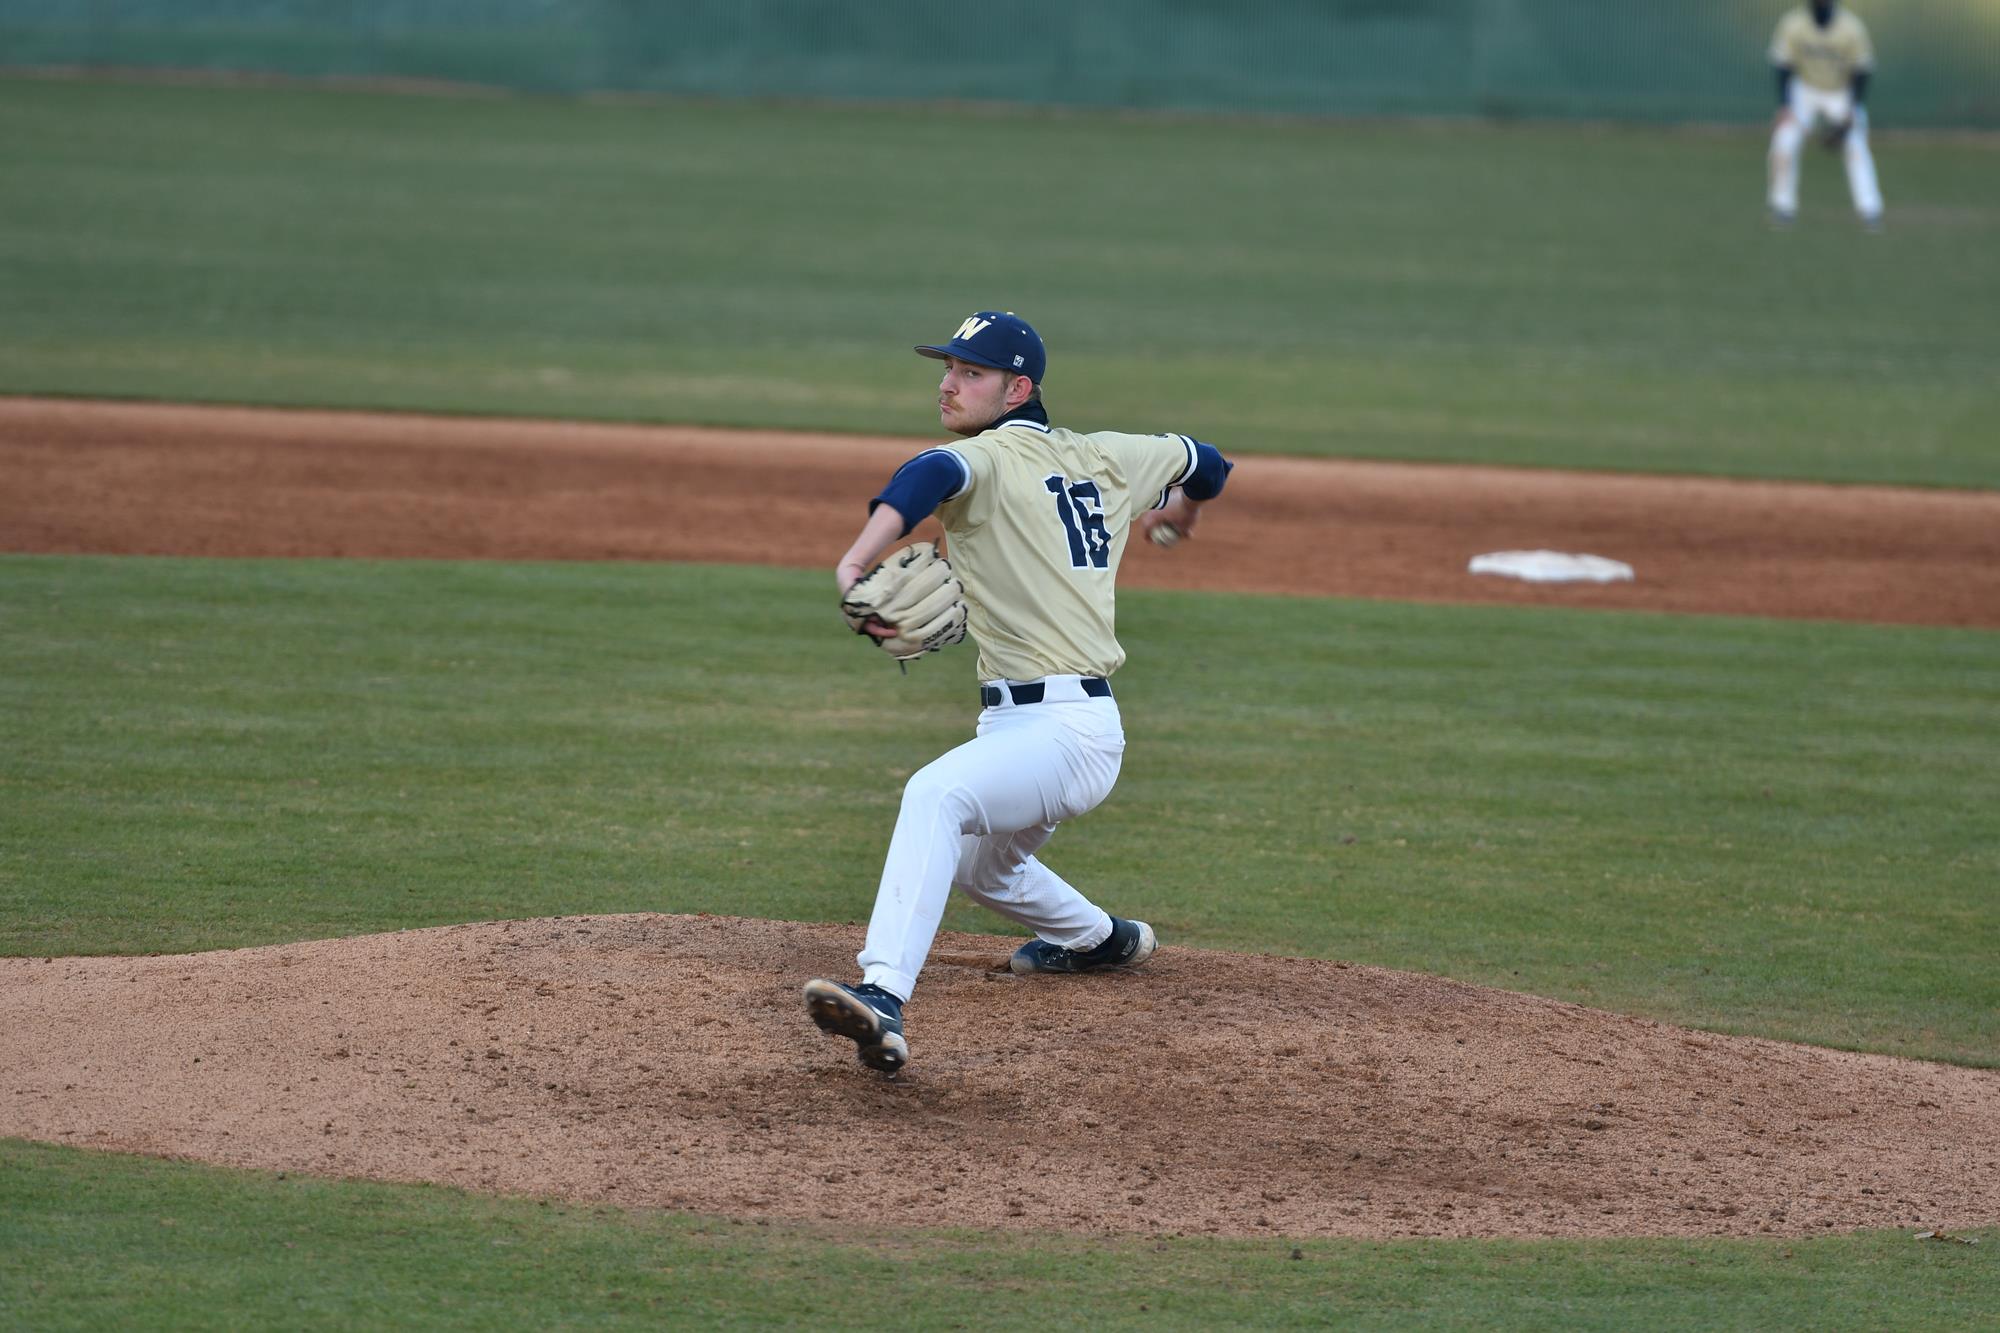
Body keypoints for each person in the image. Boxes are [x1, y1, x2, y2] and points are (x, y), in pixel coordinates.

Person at [802, 311, 1234, 1074]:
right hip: (1044, 733)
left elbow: (930, 475)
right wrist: (1181, 513)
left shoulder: (989, 459)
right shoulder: (1109, 456)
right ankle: (1103, 939)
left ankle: (884, 995)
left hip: (1065, 735)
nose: (948, 382)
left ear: (1017, 388)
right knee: (978, 865)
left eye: (970, 372)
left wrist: (855, 562)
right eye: (949, 367)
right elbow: (1209, 462)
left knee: (935, 795)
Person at [1767, 0, 1884, 230]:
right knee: (1784, 141)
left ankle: (1870, 209)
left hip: (1841, 93)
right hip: (1805, 90)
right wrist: (1785, 106)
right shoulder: (1794, 24)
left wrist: (1852, 109)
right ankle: (1783, 207)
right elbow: (1782, 64)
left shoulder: (1851, 28)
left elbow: (1862, 70)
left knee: (1856, 146)